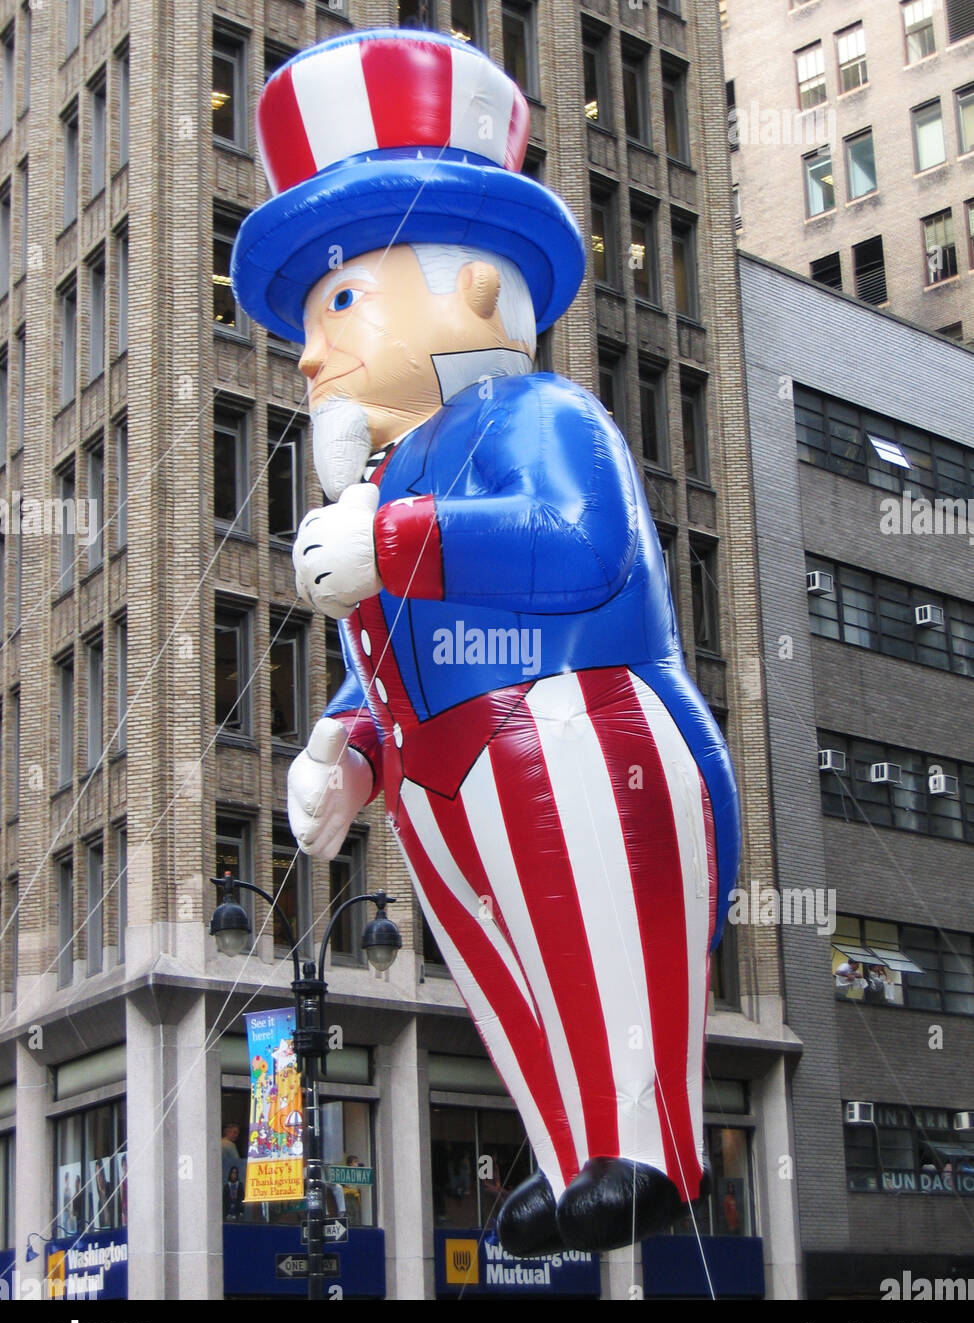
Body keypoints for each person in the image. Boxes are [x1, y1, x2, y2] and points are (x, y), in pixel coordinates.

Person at [233, 29, 739, 1257]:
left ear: (469, 289)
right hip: (447, 781)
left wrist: (395, 541)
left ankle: (647, 1143)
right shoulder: (396, 473)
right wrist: (343, 750)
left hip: (580, 727)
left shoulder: (539, 412)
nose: (310, 346)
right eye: (310, 313)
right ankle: (571, 1155)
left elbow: (578, 547)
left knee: (594, 949)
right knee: (511, 979)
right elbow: (379, 662)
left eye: (340, 298)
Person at [221, 1121, 240, 1185]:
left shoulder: (218, 1142)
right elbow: (236, 1161)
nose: (236, 1135)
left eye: (237, 1133)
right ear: (227, 1132)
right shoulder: (230, 1145)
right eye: (234, 1132)